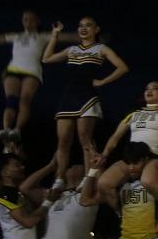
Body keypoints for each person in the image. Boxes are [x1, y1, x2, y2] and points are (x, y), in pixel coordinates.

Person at [0, 9, 74, 145]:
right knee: (11, 101)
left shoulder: (43, 36)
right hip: (13, 69)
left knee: (25, 100)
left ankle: (17, 130)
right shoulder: (16, 36)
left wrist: (91, 38)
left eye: (31, 19)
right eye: (25, 19)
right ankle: (6, 129)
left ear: (37, 21)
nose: (28, 22)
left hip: (31, 71)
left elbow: (68, 37)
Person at [42, 17, 129, 182]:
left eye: (88, 25)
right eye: (80, 25)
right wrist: (55, 35)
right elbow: (46, 59)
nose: (83, 28)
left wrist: (103, 81)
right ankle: (59, 178)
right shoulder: (72, 50)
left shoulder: (101, 48)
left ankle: (88, 178)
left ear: (96, 29)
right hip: (68, 96)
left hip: (87, 95)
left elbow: (123, 67)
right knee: (63, 140)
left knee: (85, 139)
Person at [95, 81, 158, 206]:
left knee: (148, 182)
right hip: (132, 156)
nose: (149, 91)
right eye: (147, 88)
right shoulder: (133, 113)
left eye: (155, 88)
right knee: (103, 183)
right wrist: (105, 154)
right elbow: (116, 136)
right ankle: (120, 213)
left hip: (153, 156)